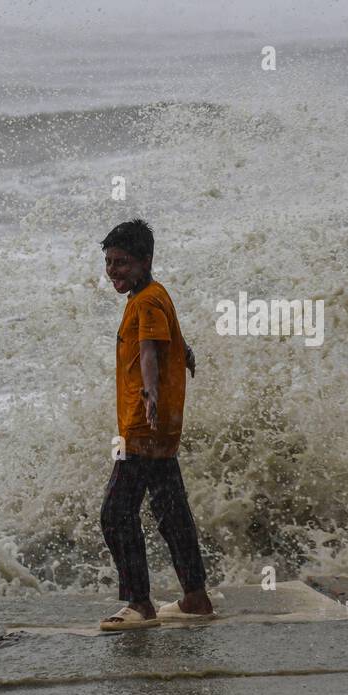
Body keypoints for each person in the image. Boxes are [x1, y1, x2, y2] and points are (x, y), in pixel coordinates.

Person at [97, 218, 214, 631]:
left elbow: (148, 351)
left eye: (122, 262)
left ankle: (139, 604)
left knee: (115, 514)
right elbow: (168, 341)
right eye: (109, 262)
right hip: (163, 424)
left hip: (143, 425)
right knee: (170, 511)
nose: (113, 270)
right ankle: (195, 598)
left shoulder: (145, 302)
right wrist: (185, 353)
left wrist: (148, 394)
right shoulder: (156, 295)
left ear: (145, 260)